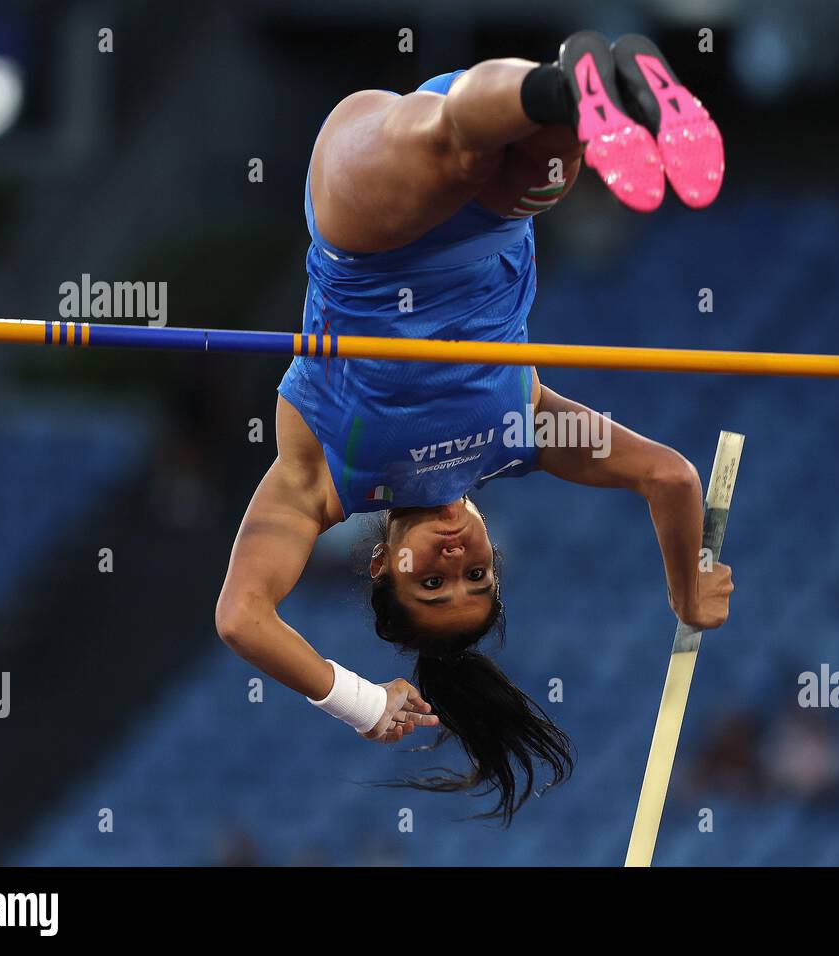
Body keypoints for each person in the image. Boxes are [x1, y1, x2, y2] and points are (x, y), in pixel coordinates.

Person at [215, 31, 729, 823]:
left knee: (457, 151)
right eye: (478, 578)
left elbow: (242, 616)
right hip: (494, 224)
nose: (459, 560)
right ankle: (582, 86)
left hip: (369, 232)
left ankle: (575, 88)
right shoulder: (519, 436)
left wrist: (356, 701)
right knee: (543, 169)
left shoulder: (324, 477)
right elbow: (669, 477)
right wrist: (687, 589)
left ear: (382, 562)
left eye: (431, 579)